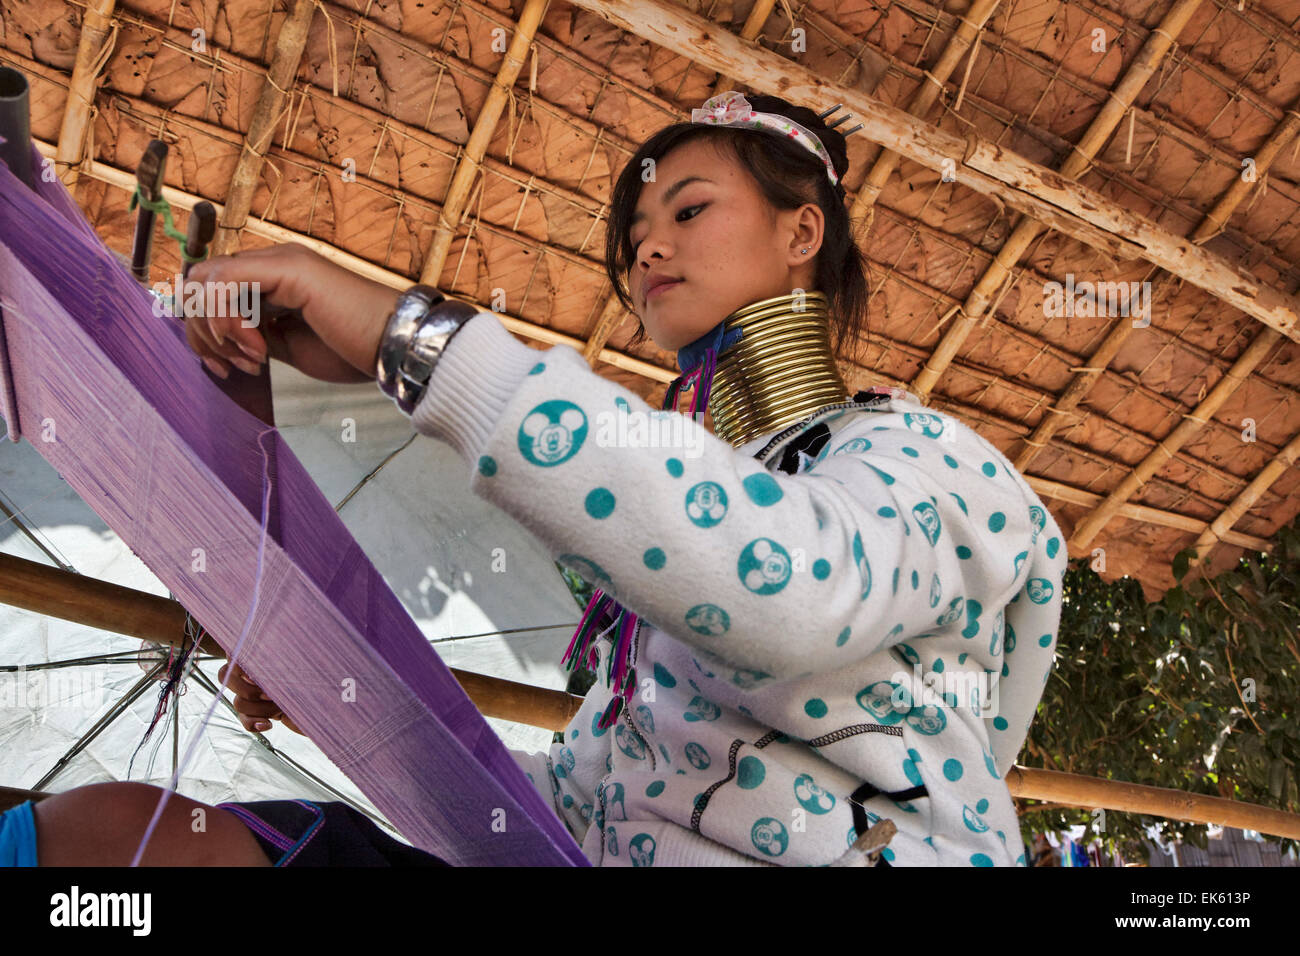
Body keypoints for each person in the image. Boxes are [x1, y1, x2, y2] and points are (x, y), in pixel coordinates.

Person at [2, 90, 1065, 867]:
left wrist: (400, 335)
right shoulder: (673, 544)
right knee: (135, 843)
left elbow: (787, 586)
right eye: (633, 238)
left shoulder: (928, 465)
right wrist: (346, 691)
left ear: (801, 232)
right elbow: (575, 808)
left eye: (687, 212)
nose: (647, 250)